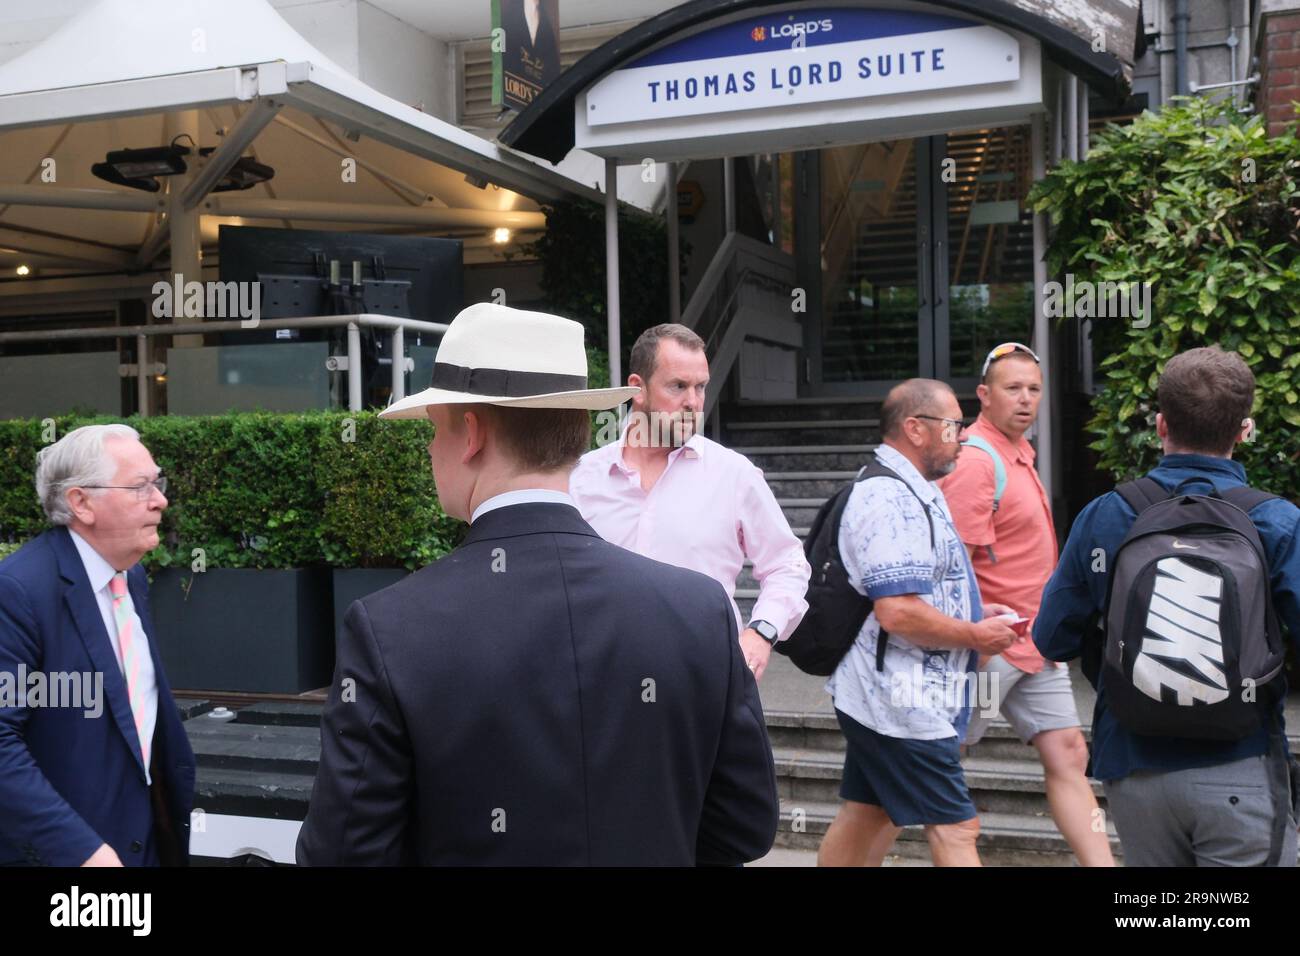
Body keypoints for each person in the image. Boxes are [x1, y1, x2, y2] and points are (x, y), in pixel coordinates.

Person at [296, 303, 779, 866]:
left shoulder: (390, 629)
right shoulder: (701, 610)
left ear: (471, 433)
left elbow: (345, 854)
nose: (430, 449)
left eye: (435, 429)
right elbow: (744, 826)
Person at [1036, 346, 1300, 866]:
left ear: (1159, 424)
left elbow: (1052, 637)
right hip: (1241, 761)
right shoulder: (1278, 522)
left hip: (1134, 767)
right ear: (1244, 430)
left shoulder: (1105, 514)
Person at [816, 379, 1020, 867]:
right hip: (899, 701)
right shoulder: (890, 500)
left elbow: (914, 594)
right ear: (915, 428)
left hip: (892, 695)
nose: (963, 435)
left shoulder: (912, 489)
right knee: (957, 827)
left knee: (869, 814)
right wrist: (974, 634)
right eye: (953, 425)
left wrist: (973, 614)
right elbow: (897, 611)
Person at [938, 342, 1113, 865]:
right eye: (1013, 388)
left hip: (1036, 643)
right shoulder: (975, 461)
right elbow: (952, 568)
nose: (1026, 399)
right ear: (983, 395)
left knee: (1068, 752)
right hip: (990, 646)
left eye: (1034, 389)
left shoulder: (1019, 453)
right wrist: (973, 638)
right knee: (933, 760)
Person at [569, 323, 810, 682]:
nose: (694, 403)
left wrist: (761, 633)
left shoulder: (733, 474)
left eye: (700, 387)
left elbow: (787, 564)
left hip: (704, 682)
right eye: (678, 386)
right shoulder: (583, 478)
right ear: (637, 388)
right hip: (603, 682)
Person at [0, 424, 194, 866]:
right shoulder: (19, 592)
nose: (160, 499)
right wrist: (81, 851)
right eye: (140, 486)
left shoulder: (131, 576)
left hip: (144, 841)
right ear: (81, 503)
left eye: (158, 482)